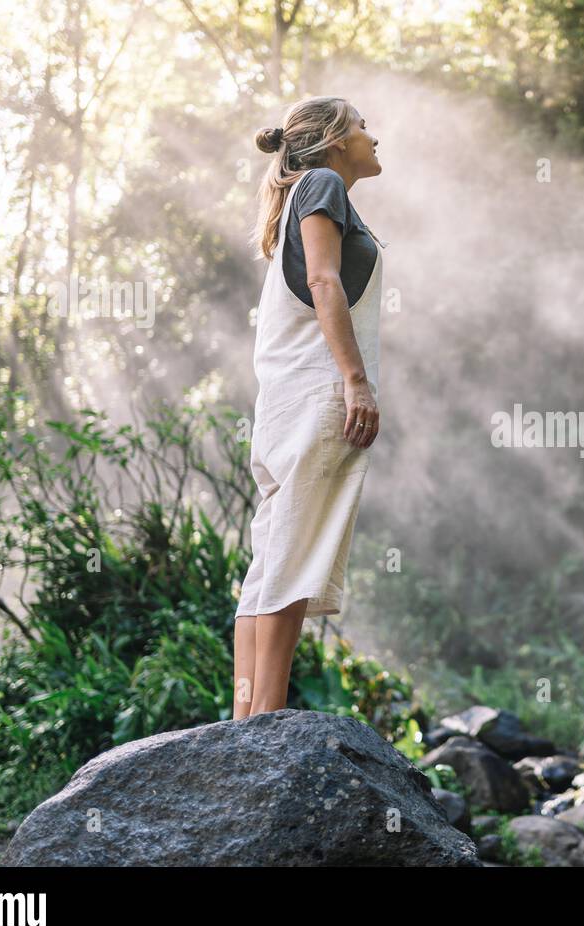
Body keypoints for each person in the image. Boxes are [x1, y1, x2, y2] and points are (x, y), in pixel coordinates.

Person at [233, 95, 386, 717]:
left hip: (292, 400)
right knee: (289, 562)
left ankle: (248, 717)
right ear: (332, 140)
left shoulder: (309, 189)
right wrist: (355, 379)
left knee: (279, 559)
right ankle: (258, 722)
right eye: (362, 125)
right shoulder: (322, 183)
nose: (373, 135)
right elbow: (323, 281)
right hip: (318, 394)